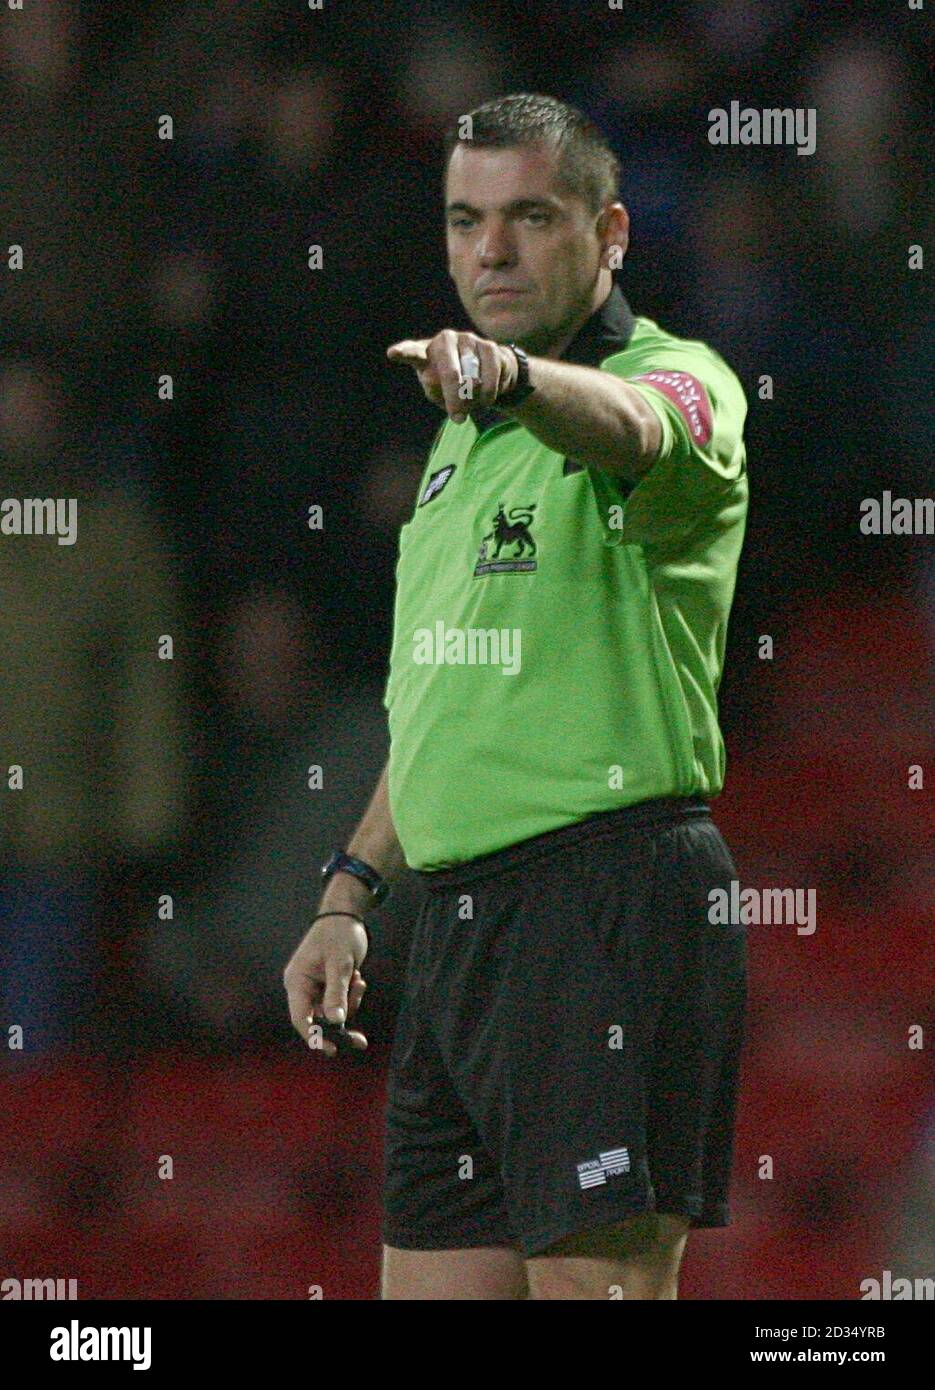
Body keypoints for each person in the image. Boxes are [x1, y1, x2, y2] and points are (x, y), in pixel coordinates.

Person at [284, 92, 749, 1300]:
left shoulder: (678, 379)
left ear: (609, 235)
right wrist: (349, 890)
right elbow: (445, 699)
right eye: (463, 219)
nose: (488, 251)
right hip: (459, 929)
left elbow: (638, 431)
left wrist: (511, 380)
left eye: (530, 217)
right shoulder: (457, 442)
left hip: (608, 898)